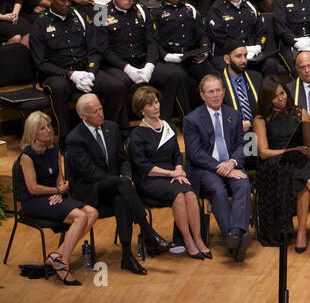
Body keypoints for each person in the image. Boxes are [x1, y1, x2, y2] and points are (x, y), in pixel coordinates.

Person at [66, 93, 170, 275]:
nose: (100, 113)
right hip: (90, 191)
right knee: (122, 188)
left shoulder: (111, 128)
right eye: (95, 111)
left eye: (100, 108)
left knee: (122, 197)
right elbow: (89, 173)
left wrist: (127, 177)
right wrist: (120, 181)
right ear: (83, 116)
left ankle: (127, 256)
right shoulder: (75, 138)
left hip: (114, 187)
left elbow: (123, 159)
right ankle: (148, 232)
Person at [253, 76, 310, 251]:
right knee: (300, 169)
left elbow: (309, 146)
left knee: (300, 170)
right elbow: (263, 152)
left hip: (296, 161)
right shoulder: (261, 119)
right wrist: (289, 151)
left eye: (283, 93)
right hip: (273, 163)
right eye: (276, 96)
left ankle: (301, 231)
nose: (281, 98)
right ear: (267, 99)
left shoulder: (301, 113)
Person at [28, 0, 127, 136]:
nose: (67, 4)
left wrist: (91, 72)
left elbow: (94, 50)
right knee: (58, 88)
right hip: (58, 74)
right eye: (62, 0)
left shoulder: (80, 17)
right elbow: (40, 63)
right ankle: (65, 136)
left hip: (84, 71)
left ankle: (107, 129)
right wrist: (70, 75)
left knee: (117, 86)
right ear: (51, 0)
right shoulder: (39, 25)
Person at [129, 85, 210, 259]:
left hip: (173, 175)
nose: (156, 106)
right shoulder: (137, 134)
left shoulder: (168, 126)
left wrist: (179, 169)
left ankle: (199, 239)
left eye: (156, 102)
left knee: (190, 193)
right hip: (150, 179)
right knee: (179, 195)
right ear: (141, 109)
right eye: (150, 105)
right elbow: (142, 166)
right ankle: (187, 240)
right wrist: (172, 174)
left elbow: (176, 154)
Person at [19, 110, 98, 285]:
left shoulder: (54, 148)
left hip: (53, 195)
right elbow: (33, 188)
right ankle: (63, 264)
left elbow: (59, 178)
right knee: (80, 216)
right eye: (42, 128)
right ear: (33, 133)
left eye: (48, 126)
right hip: (34, 201)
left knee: (92, 213)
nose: (48, 130)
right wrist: (55, 191)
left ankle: (56, 256)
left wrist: (62, 187)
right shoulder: (27, 155)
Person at [182, 75, 253, 261]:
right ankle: (236, 237)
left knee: (243, 183)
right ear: (203, 95)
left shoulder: (234, 114)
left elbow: (241, 145)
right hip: (205, 168)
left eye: (218, 91)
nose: (215, 95)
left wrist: (232, 163)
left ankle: (235, 234)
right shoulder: (192, 119)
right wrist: (221, 167)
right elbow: (195, 154)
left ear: (223, 92)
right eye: (210, 92)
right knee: (217, 190)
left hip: (230, 164)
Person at [95, 0, 181, 126]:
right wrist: (126, 68)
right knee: (118, 85)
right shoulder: (100, 12)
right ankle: (121, 128)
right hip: (116, 65)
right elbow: (102, 49)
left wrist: (149, 65)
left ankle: (163, 122)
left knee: (173, 74)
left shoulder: (141, 9)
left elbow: (152, 42)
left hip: (142, 61)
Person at [151, 0, 215, 113]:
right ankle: (187, 119)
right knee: (180, 77)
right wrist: (165, 56)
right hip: (171, 58)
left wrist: (204, 51)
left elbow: (202, 33)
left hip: (192, 54)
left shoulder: (189, 8)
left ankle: (219, 112)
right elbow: (152, 40)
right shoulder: (155, 12)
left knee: (212, 76)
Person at [208, 0, 270, 68]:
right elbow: (219, 37)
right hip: (227, 54)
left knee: (271, 64)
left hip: (251, 52)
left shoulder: (250, 6)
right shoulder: (217, 9)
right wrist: (242, 50)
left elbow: (262, 31)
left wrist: (259, 46)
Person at [218, 40, 263, 131]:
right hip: (231, 132)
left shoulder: (256, 77)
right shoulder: (218, 84)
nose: (244, 60)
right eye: (238, 56)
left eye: (245, 56)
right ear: (227, 59)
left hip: (259, 129)